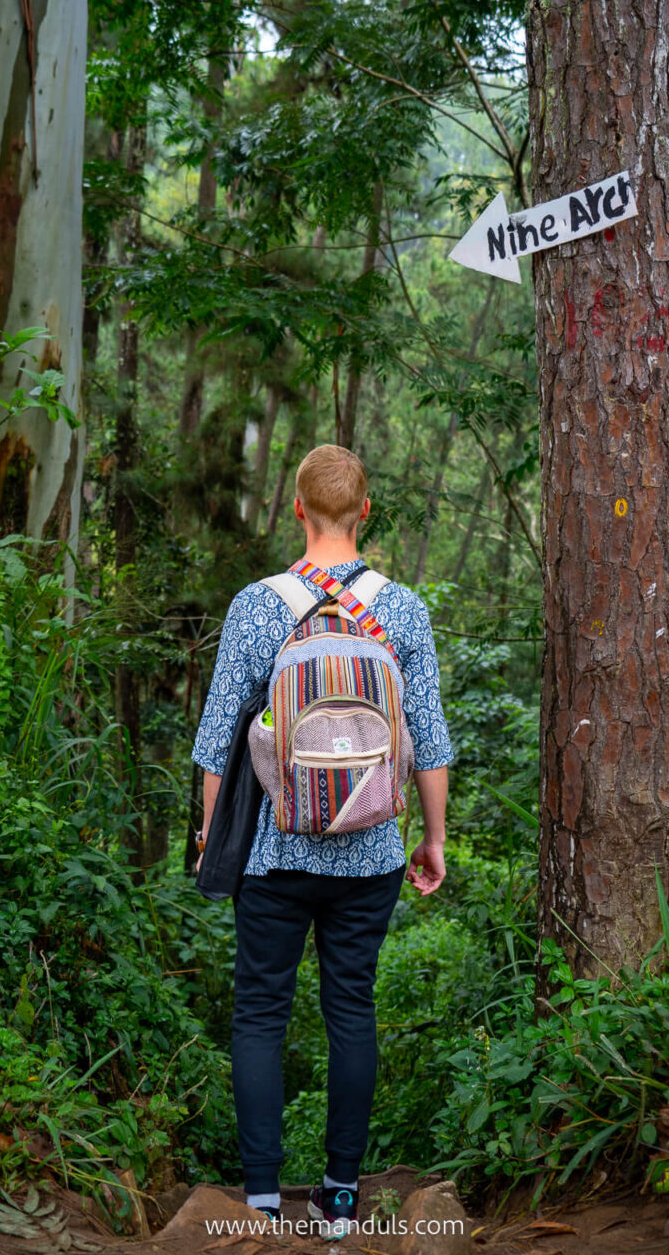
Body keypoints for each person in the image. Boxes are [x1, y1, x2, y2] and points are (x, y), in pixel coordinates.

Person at [192, 444, 452, 1235]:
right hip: (372, 851)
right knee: (352, 1011)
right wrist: (432, 837)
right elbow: (430, 739)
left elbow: (217, 739)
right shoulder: (401, 608)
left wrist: (211, 835)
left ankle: (264, 1199)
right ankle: (342, 1198)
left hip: (275, 849)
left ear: (297, 509)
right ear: (364, 512)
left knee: (261, 1015)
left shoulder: (257, 605)